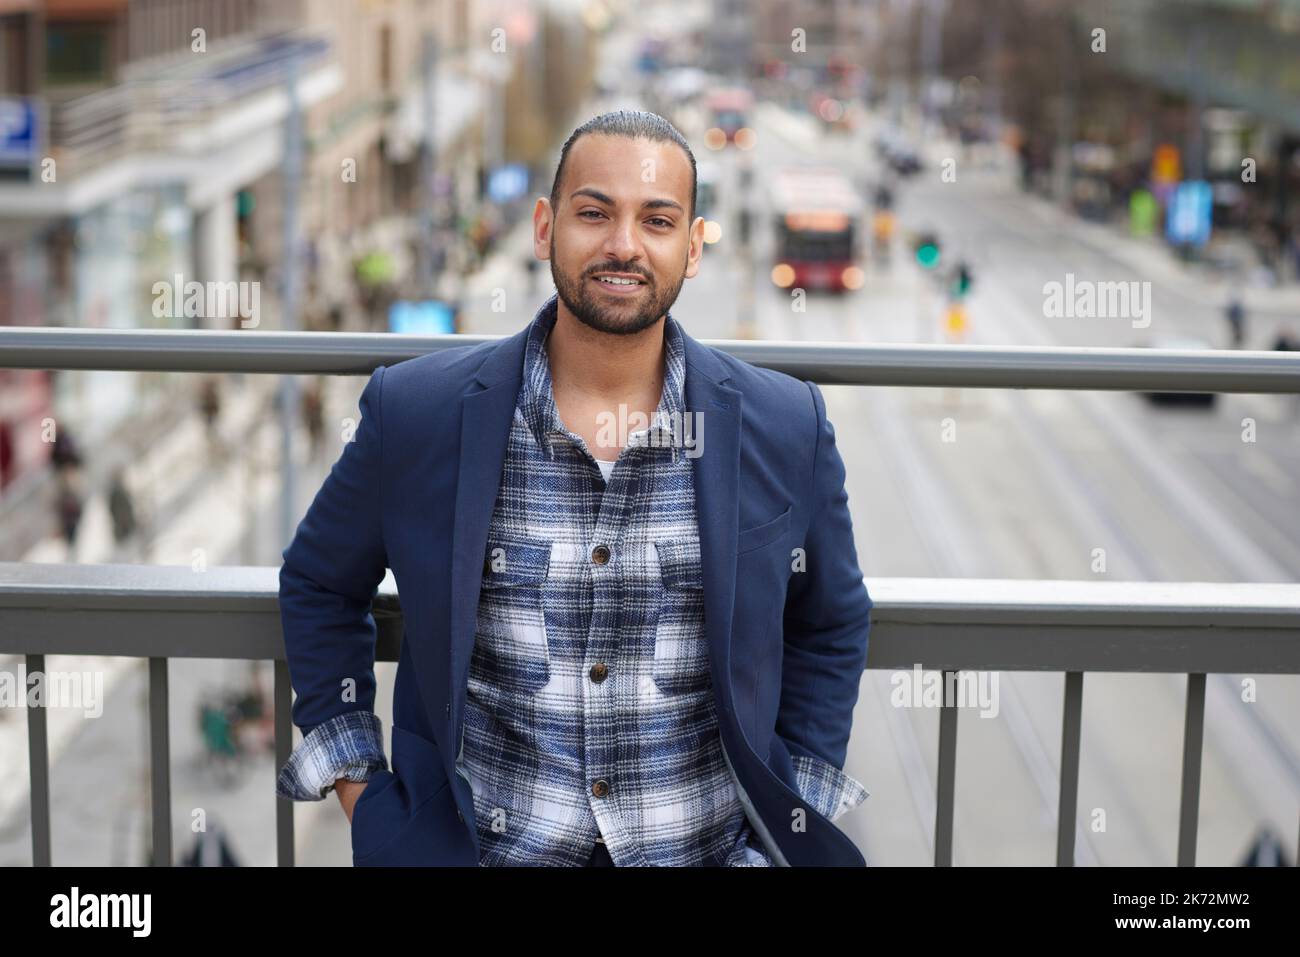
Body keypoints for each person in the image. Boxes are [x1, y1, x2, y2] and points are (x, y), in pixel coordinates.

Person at [274, 111, 873, 867]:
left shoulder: (787, 425)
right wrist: (363, 790)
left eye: (657, 220)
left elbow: (832, 621)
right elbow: (320, 582)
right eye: (595, 213)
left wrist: (790, 824)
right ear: (544, 228)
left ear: (691, 248)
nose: (624, 243)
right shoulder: (417, 414)